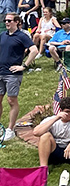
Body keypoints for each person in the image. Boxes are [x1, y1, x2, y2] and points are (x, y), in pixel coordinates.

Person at [0, 12, 38, 141]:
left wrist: (24, 66)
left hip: (12, 74)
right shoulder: (2, 35)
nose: (7, 22)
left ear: (17, 22)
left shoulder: (22, 36)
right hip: (0, 72)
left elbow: (34, 50)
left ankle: (10, 129)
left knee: (11, 100)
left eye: (9, 20)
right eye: (6, 20)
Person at [35, 96, 70, 175]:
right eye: (68, 112)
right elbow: (36, 132)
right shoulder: (52, 120)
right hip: (55, 150)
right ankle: (43, 169)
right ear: (61, 111)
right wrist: (56, 118)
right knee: (45, 136)